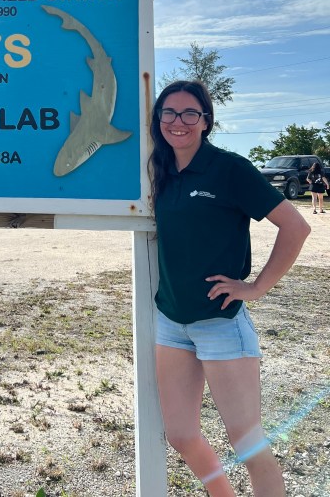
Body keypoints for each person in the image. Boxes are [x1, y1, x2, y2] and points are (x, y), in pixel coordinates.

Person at [148, 80, 311, 497]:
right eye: (169, 112)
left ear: (206, 121)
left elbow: (296, 226)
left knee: (247, 442)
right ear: (158, 119)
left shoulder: (229, 168)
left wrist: (256, 287)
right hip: (171, 321)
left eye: (190, 113)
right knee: (181, 436)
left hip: (221, 323)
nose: (178, 122)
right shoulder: (160, 168)